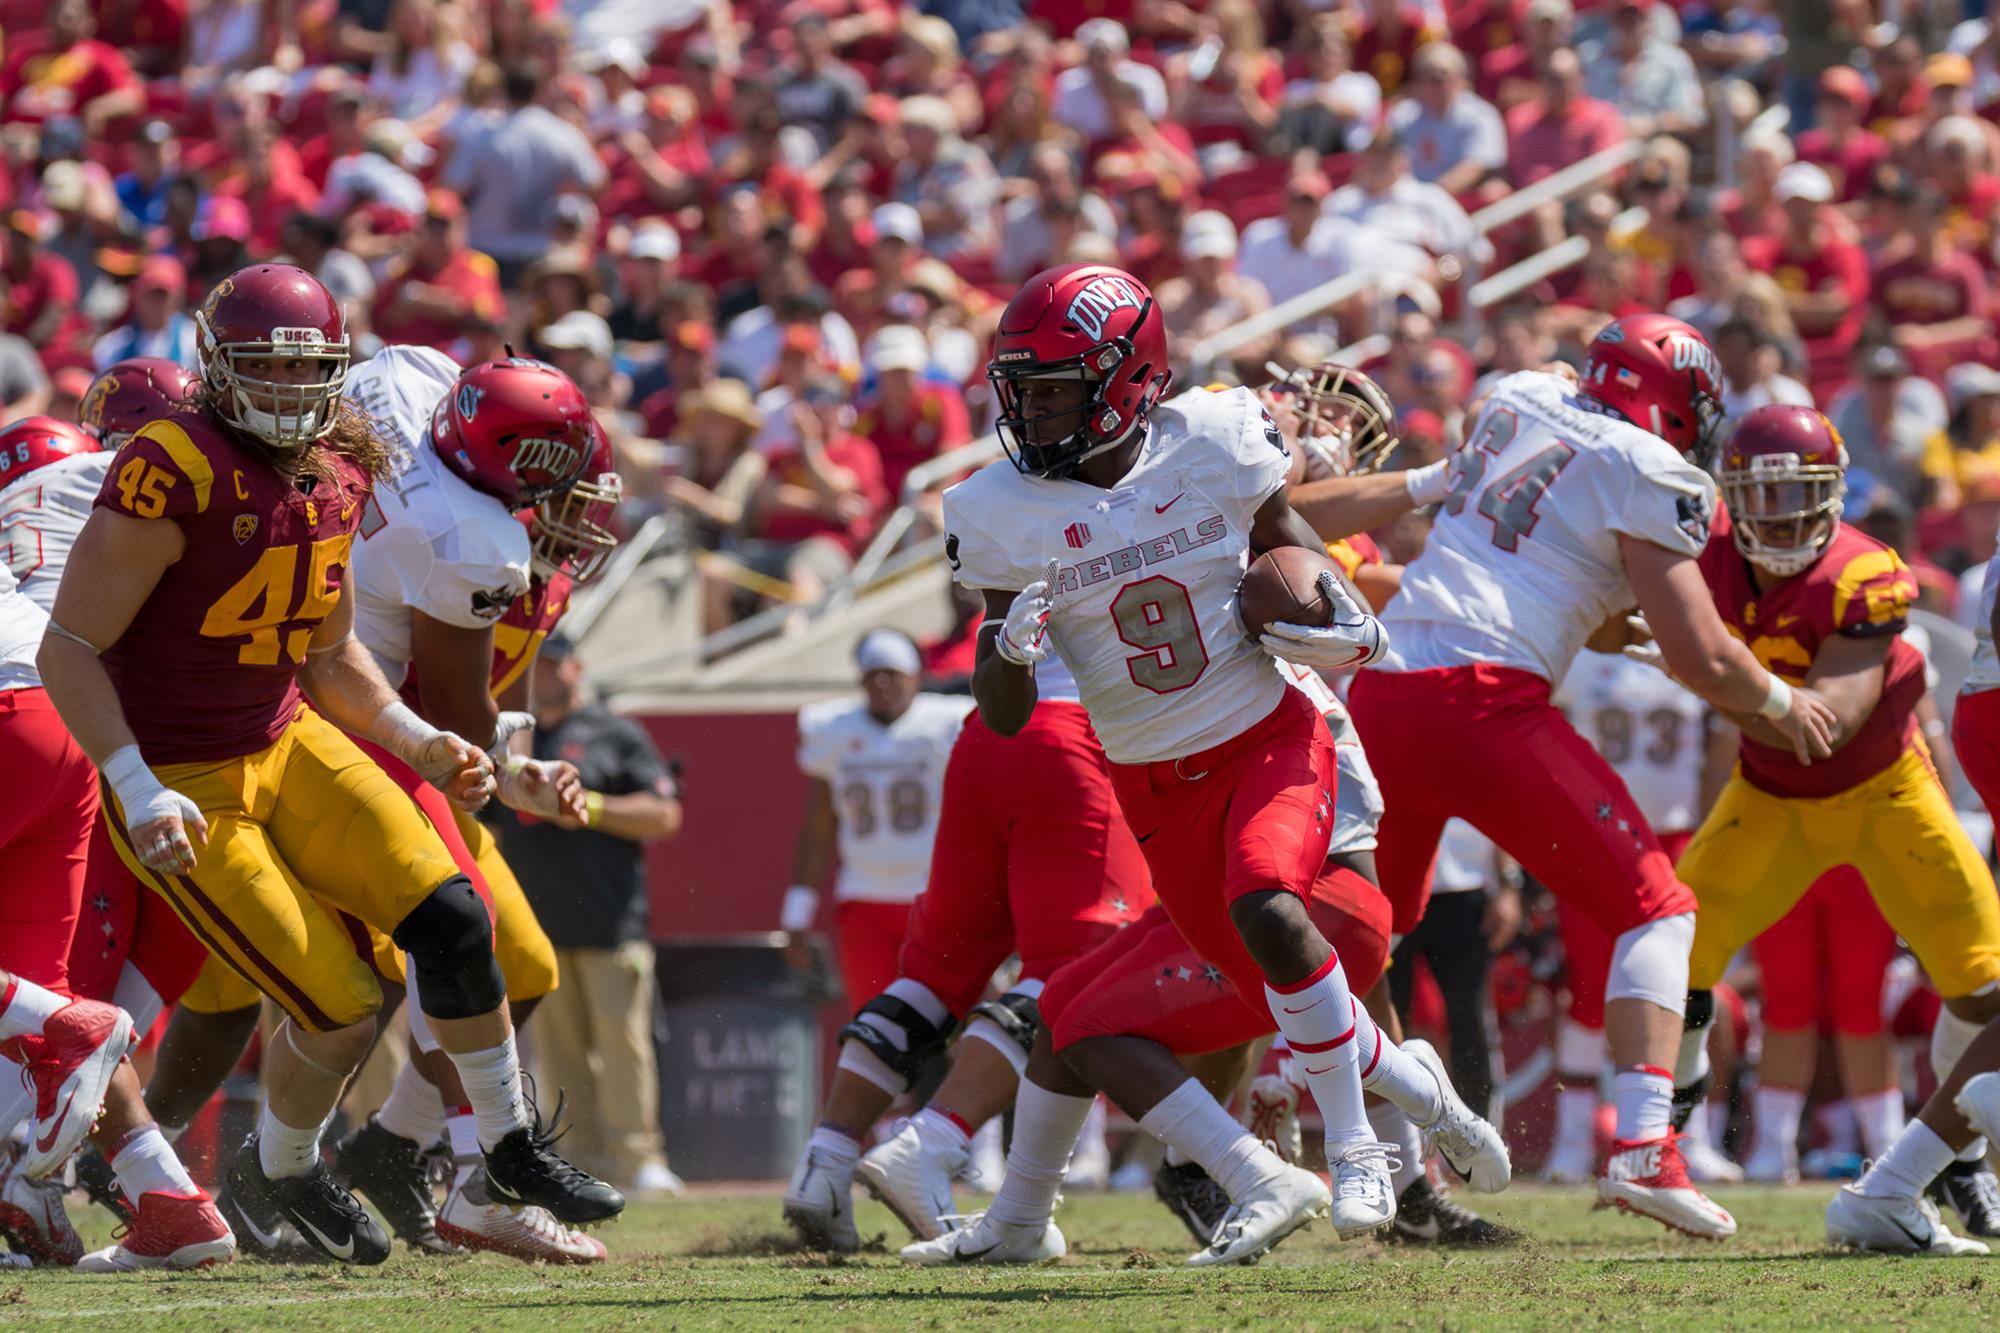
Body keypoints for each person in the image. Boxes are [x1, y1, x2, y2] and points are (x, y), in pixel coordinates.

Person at [35, 263, 621, 1266]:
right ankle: (283, 1167)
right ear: (216, 369)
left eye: (310, 372)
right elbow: (68, 649)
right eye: (267, 370)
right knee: (342, 1001)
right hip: (189, 772)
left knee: (454, 919)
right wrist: (134, 782)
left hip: (288, 733)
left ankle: (508, 1148)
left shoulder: (339, 459)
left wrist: (413, 736)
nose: (291, 394)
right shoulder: (171, 464)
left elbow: (328, 648)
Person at [937, 263, 1509, 1255]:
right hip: (1152, 787)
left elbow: (1292, 553)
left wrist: (1343, 621)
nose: (1030, 412)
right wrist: (1007, 652)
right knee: (1263, 988)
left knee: (1265, 899)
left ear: (1124, 378)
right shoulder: (999, 509)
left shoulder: (1208, 439)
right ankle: (1425, 1097)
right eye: (1020, 390)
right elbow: (1000, 713)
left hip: (1266, 734)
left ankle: (1359, 1152)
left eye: (1055, 388)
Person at [1348, 315, 1838, 1241]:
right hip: (1479, 699)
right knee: (1659, 909)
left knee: (1372, 933)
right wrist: (1779, 703)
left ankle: (1393, 1175)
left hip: (1386, 689)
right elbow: (1704, 652)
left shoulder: (1519, 396)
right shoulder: (1649, 467)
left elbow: (1538, 554)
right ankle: (1644, 1149)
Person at [1639, 405, 2000, 1255]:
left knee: (1983, 981)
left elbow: (1827, 722)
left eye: (1795, 496)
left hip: (1886, 791)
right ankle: (1661, 1140)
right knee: (1672, 948)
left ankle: (1964, 1158)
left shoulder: (1867, 571)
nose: (1777, 518)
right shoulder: (1702, 556)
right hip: (1766, 798)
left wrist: (1714, 670)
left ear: (1835, 494)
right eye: (1758, 499)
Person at [327, 344, 618, 1262]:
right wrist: (513, 761)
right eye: (561, 494)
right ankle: (479, 1173)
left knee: (521, 966)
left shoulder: (414, 380)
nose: (574, 515)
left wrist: (521, 766)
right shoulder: (480, 545)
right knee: (443, 941)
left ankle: (389, 1145)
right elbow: (457, 709)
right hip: (354, 714)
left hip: (385, 704)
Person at [782, 646, 1152, 1253]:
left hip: (986, 731)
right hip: (1078, 733)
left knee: (935, 974)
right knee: (1076, 966)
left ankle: (826, 1159)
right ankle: (934, 1141)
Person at [498, 629, 684, 1198]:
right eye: (538, 667)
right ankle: (579, 1158)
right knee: (558, 1054)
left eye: (556, 665)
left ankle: (639, 1157)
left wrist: (588, 807)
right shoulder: (513, 741)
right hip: (539, 924)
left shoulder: (615, 732)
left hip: (610, 922)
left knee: (623, 1044)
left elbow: (664, 814)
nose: (547, 676)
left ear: (577, 668)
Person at [1543, 649, 1732, 1186]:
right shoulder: (1577, 656)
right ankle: (1572, 1141)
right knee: (1586, 988)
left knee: (1688, 986)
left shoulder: (1689, 649)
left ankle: (1693, 1137)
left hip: (1675, 835)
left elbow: (1721, 752)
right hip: (1593, 836)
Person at [787, 630, 972, 1009]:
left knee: (955, 1020)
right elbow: (819, 828)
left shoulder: (949, 721)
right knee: (875, 1024)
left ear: (915, 678)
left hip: (934, 897)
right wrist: (796, 911)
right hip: (865, 897)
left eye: (892, 673)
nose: (882, 684)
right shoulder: (834, 729)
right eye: (873, 674)